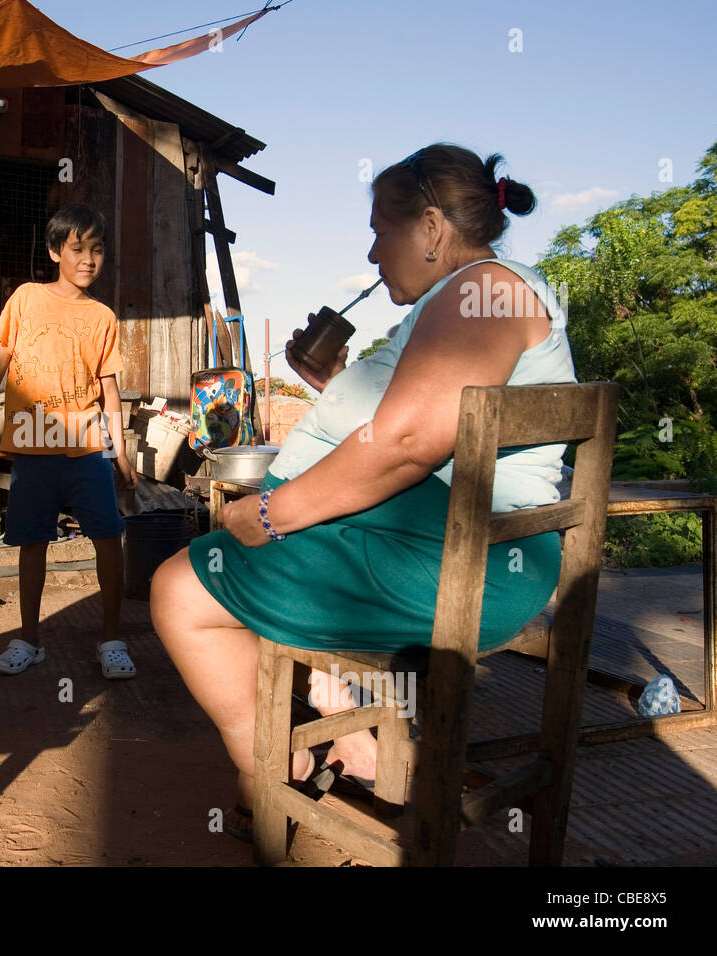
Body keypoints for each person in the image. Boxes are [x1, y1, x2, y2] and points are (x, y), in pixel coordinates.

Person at [150, 144, 576, 841]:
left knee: (183, 587)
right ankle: (334, 733)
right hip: (436, 542)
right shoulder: (462, 301)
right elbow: (411, 425)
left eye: (382, 229)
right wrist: (334, 386)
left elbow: (408, 444)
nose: (374, 254)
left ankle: (273, 767)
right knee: (223, 563)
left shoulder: (488, 289)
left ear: (433, 228)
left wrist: (269, 510)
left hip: (468, 564)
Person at [0, 203, 140, 678]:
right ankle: (29, 639)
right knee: (31, 541)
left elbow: (109, 391)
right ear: (54, 251)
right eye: (78, 248)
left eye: (97, 250)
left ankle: (111, 639)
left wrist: (120, 453)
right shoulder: (25, 298)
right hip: (31, 445)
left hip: (87, 449)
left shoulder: (103, 316)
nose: (88, 259)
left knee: (108, 538)